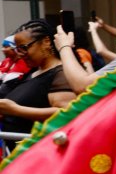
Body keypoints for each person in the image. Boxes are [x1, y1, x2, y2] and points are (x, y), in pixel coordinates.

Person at [0, 19, 77, 148]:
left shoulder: (61, 73)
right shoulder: (34, 72)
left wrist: (16, 110)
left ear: (46, 42)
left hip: (40, 153)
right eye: (17, 49)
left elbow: (65, 112)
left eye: (24, 48)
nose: (20, 54)